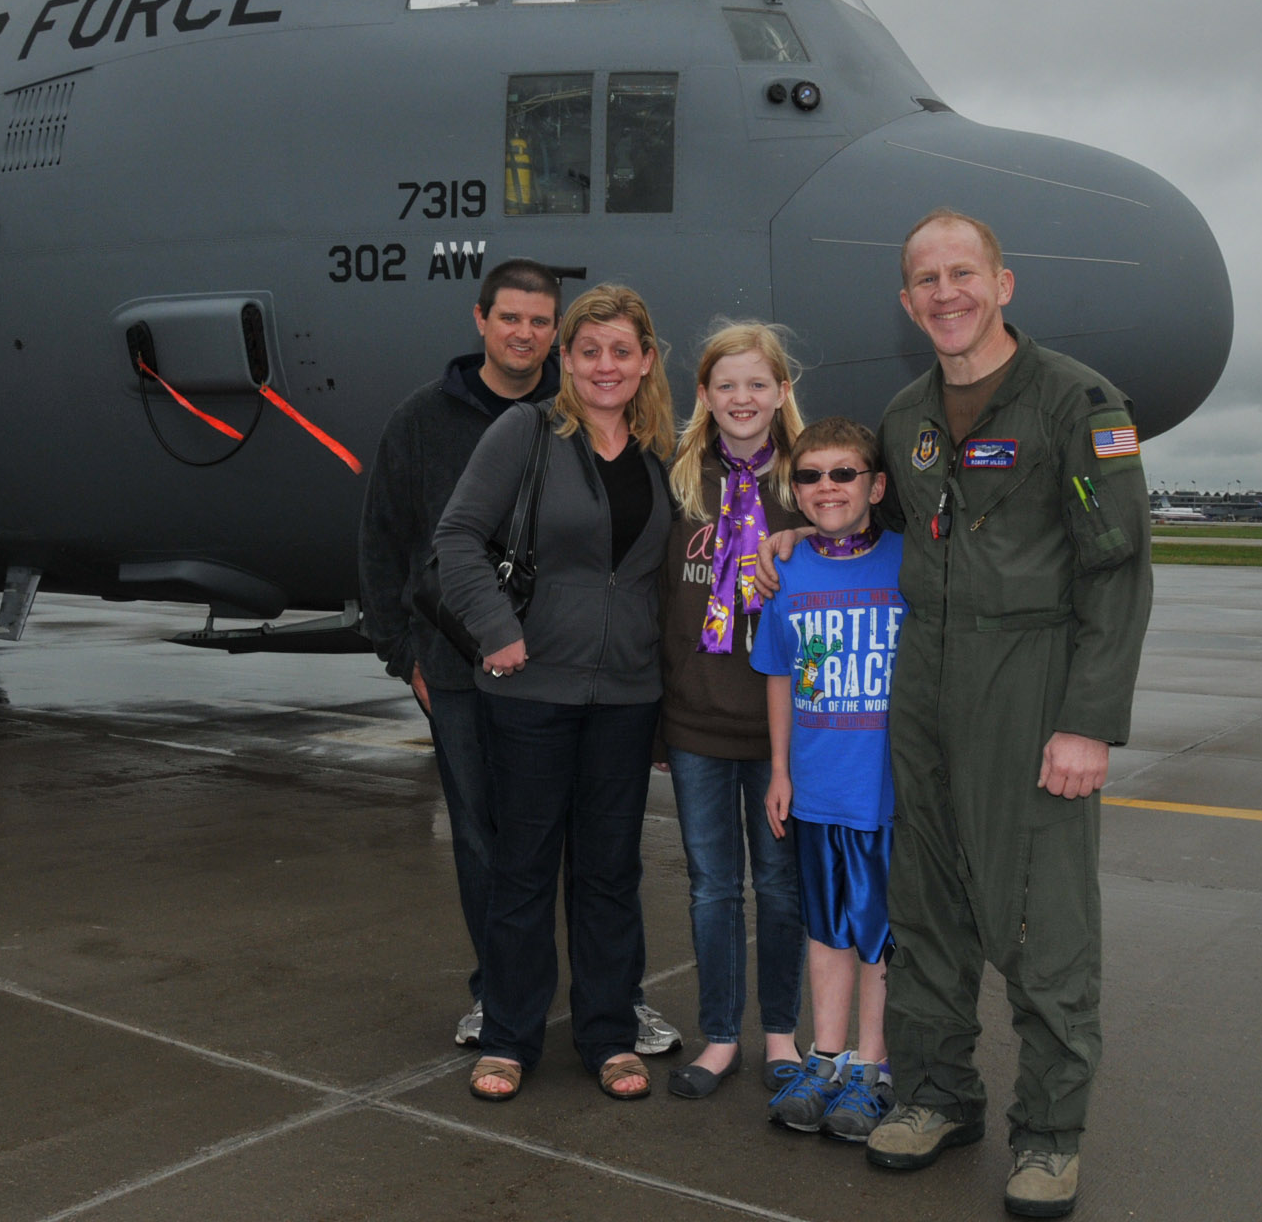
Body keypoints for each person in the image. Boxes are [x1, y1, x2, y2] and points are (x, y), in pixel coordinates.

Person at [857, 209, 1152, 1218]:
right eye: (924, 279)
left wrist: (1087, 719)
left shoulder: (1075, 403)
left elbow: (1114, 569)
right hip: (925, 685)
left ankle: (1050, 1131)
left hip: (1030, 688)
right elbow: (886, 534)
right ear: (906, 300)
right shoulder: (905, 415)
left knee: (1041, 922)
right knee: (926, 910)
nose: (945, 292)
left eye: (961, 273)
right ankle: (936, 1093)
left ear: (1002, 283)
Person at [358, 262, 681, 1058]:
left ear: (645, 361)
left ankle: (610, 1030)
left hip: (622, 694)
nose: (606, 364)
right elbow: (433, 539)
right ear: (567, 361)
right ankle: (507, 1024)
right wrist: (469, 638)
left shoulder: (661, 451)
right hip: (516, 683)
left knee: (608, 871)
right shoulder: (514, 429)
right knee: (511, 859)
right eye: (591, 349)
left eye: (623, 351)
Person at [655, 323, 808, 1102]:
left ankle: (781, 1034)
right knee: (713, 886)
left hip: (783, 730)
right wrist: (656, 717)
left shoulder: (808, 480)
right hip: (696, 725)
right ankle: (721, 1038)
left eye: (758, 384)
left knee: (781, 887)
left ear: (782, 392)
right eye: (727, 386)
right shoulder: (680, 478)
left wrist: (804, 532)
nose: (742, 399)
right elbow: (653, 600)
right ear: (706, 396)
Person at [750, 418, 906, 1143]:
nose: (826, 488)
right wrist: (779, 771)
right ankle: (827, 1057)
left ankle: (873, 1068)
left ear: (876, 485)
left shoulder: (909, 565)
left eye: (844, 474)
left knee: (877, 933)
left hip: (888, 790)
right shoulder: (786, 571)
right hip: (816, 786)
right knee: (825, 930)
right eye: (810, 476)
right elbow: (778, 677)